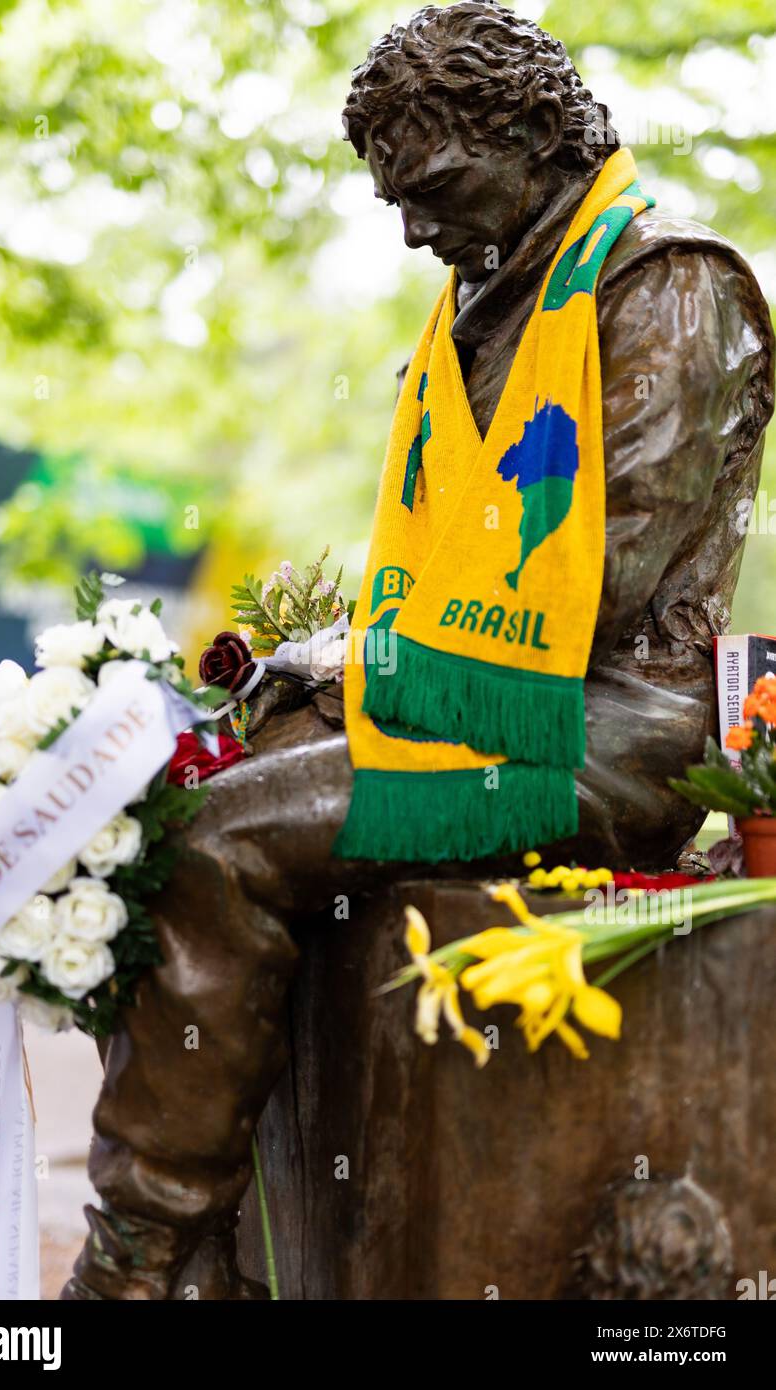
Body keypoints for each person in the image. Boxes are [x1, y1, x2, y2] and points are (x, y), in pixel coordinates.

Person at [63, 3, 774, 1299]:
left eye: (432, 188)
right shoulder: (483, 305)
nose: (410, 231)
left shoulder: (671, 287)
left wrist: (361, 667)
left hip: (602, 739)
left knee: (215, 841)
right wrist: (333, 668)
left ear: (529, 135)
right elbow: (451, 568)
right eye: (392, 200)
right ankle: (218, 1252)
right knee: (198, 782)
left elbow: (591, 586)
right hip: (492, 709)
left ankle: (137, 1258)